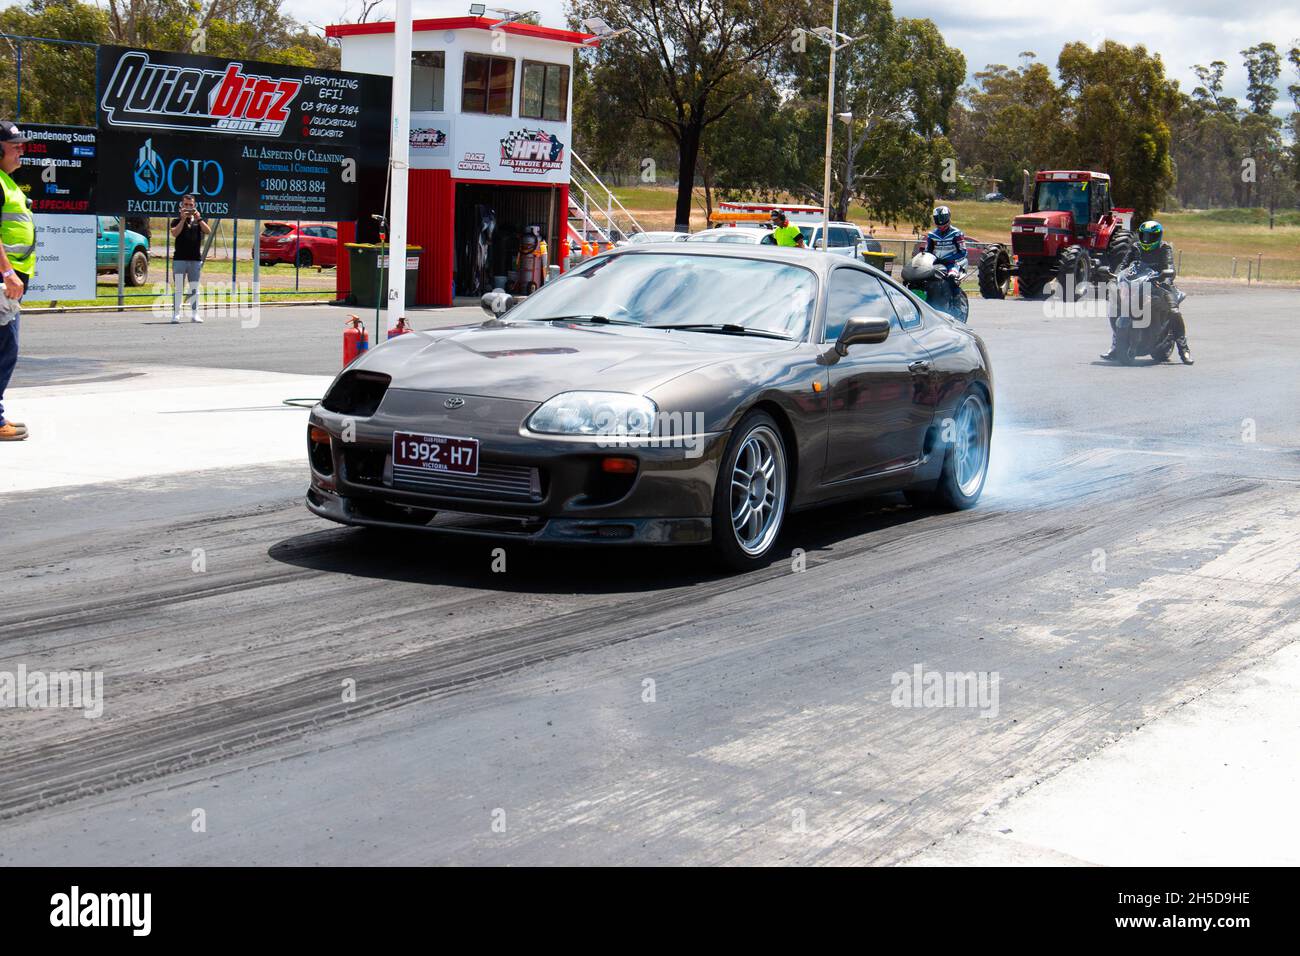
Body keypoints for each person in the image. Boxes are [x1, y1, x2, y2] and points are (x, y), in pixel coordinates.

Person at [1101, 220, 1192, 364]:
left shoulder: (1164, 248)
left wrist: (1165, 278)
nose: (1147, 240)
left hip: (1159, 284)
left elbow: (1170, 268)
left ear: (1158, 236)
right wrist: (1116, 276)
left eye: (1151, 236)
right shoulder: (1136, 247)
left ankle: (1184, 349)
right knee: (1116, 304)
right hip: (1137, 284)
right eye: (1144, 236)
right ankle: (1116, 345)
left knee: (1174, 311)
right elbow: (1123, 266)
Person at [0, 120, 34, 442]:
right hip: (2, 280)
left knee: (5, 347)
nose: (21, 149)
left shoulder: (7, 183)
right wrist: (8, 272)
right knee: (5, 348)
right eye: (15, 145)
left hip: (9, 281)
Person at [169, 194, 211, 324]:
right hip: (180, 259)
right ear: (181, 206)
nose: (188, 207)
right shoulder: (176, 220)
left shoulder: (199, 221)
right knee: (179, 288)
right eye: (186, 205)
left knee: (194, 287)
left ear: (195, 206)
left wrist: (199, 219)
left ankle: (195, 314)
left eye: (191, 205)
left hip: (194, 259)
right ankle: (176, 314)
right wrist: (182, 219)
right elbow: (175, 233)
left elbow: (208, 231)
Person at [925, 205, 968, 290]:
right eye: (938, 218)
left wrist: (949, 259)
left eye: (943, 218)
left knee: (952, 278)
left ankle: (956, 299)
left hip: (952, 264)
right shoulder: (931, 235)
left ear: (948, 217)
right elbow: (928, 251)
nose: (940, 221)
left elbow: (963, 252)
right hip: (935, 263)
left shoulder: (957, 233)